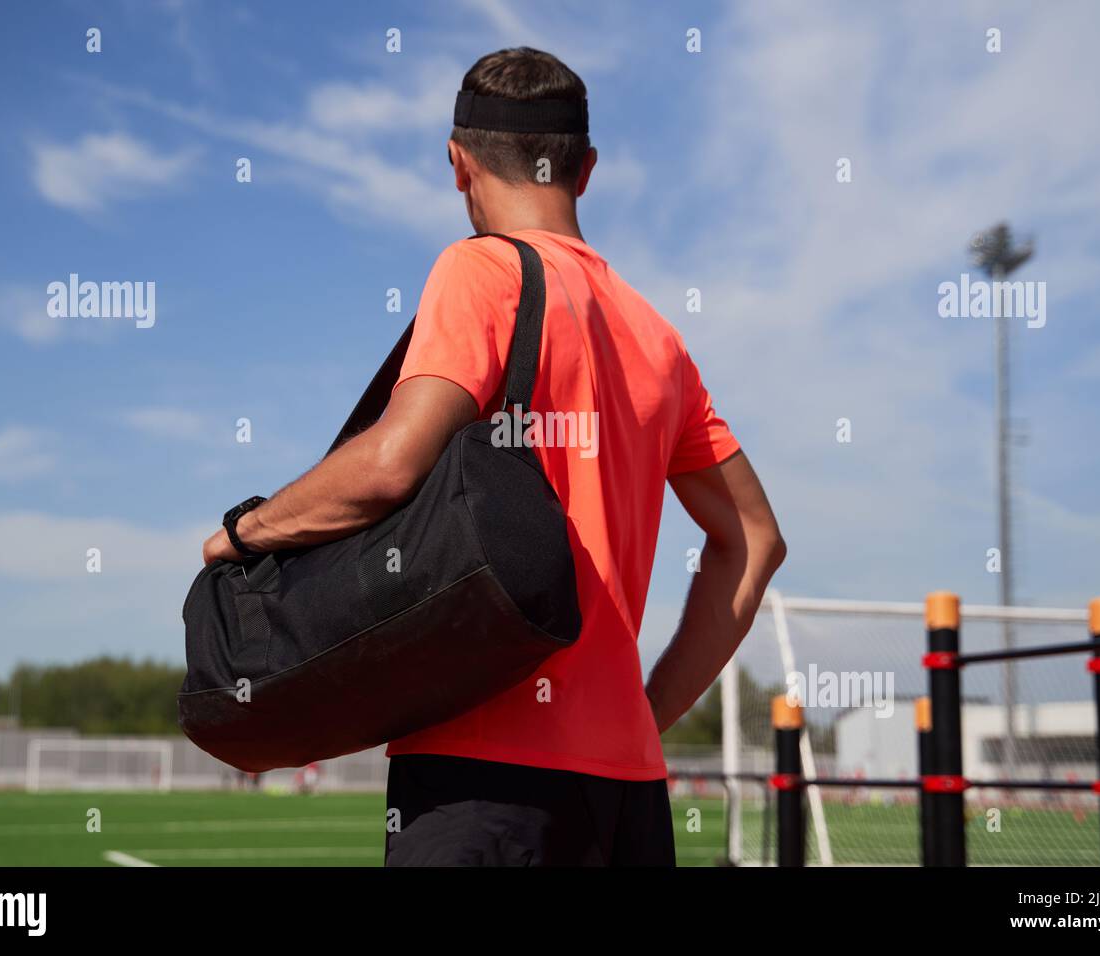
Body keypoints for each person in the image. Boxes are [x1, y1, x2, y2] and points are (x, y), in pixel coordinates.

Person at [201, 47, 786, 866]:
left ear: (457, 163)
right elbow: (756, 542)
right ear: (586, 171)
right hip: (629, 798)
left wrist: (245, 530)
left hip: (482, 781)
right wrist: (641, 717)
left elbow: (389, 466)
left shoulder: (481, 272)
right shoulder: (659, 338)